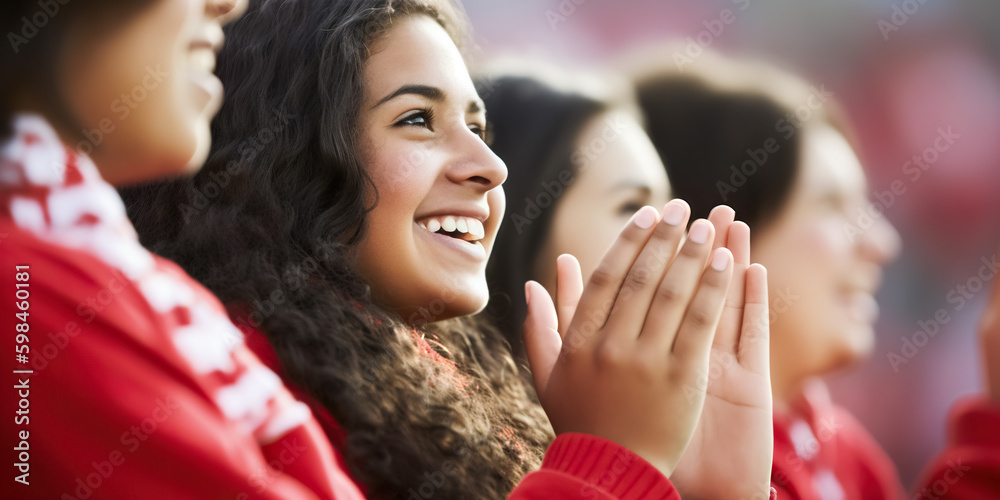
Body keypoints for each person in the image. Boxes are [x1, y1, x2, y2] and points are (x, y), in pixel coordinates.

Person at [121, 0, 758, 498]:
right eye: (418, 119)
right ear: (288, 163)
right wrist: (612, 461)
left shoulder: (428, 386)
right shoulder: (242, 391)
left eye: (478, 127)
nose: (490, 165)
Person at [0, 0, 367, 498]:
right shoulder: (26, 288)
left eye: (478, 126)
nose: (229, 5)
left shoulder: (114, 274)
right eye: (415, 119)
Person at [633, 53, 1000, 499]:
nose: (881, 243)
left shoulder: (841, 450)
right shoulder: (665, 466)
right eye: (833, 206)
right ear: (712, 240)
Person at [482, 70, 776, 500]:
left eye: (671, 208)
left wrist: (723, 493)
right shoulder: (432, 451)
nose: (674, 238)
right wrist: (610, 463)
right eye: (633, 207)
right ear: (521, 234)